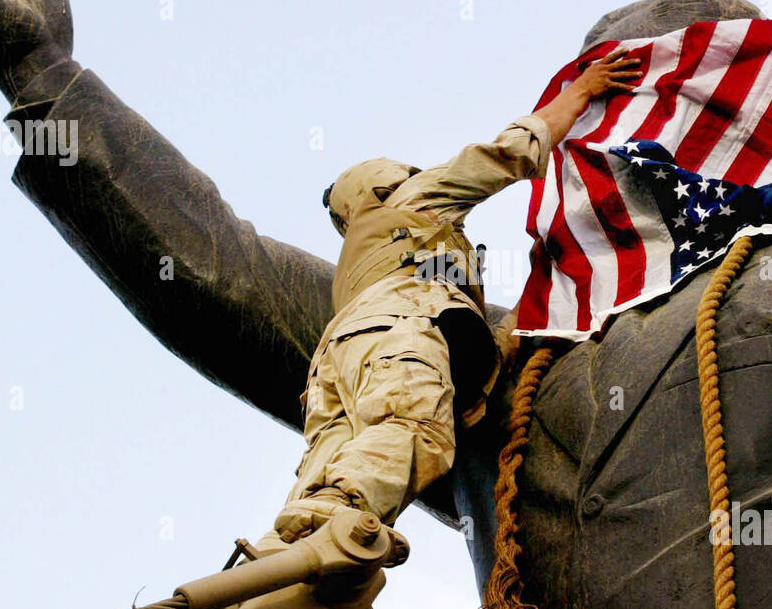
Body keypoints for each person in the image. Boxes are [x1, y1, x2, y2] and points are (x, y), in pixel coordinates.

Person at [272, 50, 642, 542]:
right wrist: (579, 93)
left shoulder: (362, 267)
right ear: (388, 182)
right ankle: (338, 523)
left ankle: (275, 578)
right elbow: (503, 156)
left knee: (321, 479)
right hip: (399, 334)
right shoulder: (409, 200)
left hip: (334, 370)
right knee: (410, 430)